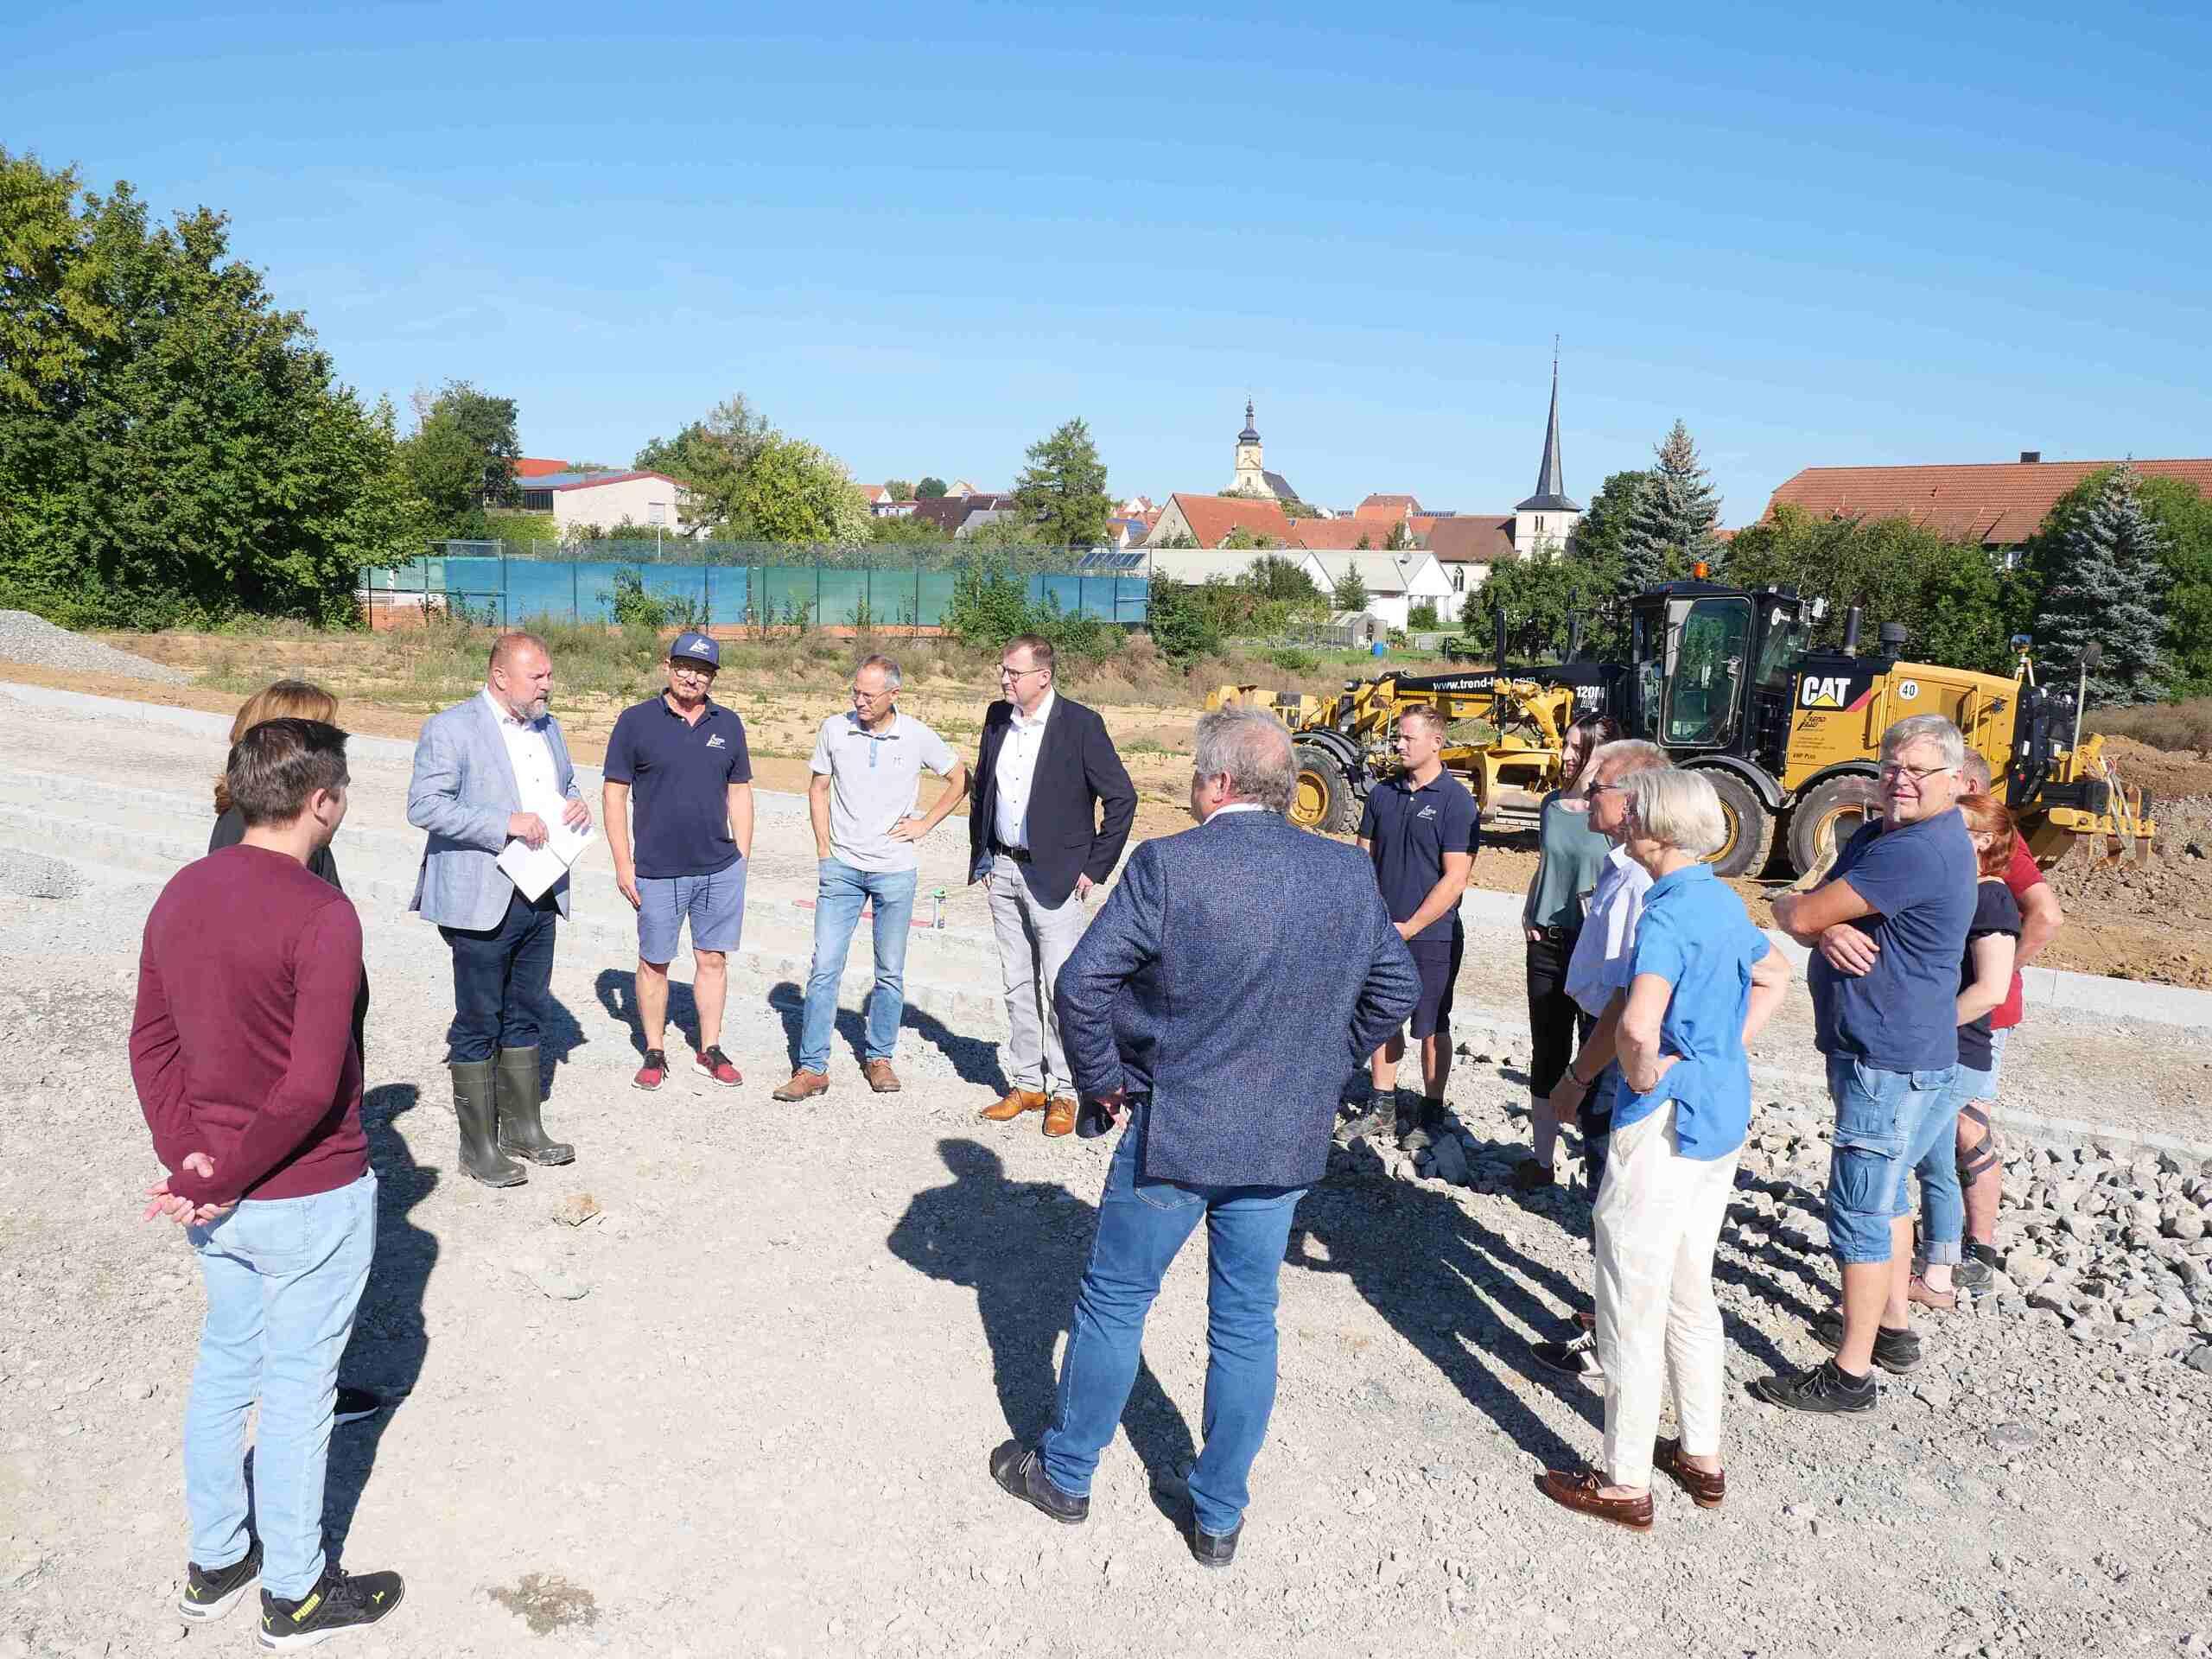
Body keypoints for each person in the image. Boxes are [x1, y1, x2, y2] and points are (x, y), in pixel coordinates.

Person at [988, 709, 1419, 1567]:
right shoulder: (1344, 871)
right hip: (1280, 1137)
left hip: (1176, 1130)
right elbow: (1395, 987)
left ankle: (1066, 1474)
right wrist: (1321, 1066)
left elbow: (1081, 984)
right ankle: (1218, 1516)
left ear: (1218, 783)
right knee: (1246, 1321)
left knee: (1117, 1300)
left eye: (1194, 773)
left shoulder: (1170, 864)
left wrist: (1104, 1083)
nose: (1191, 785)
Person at [133, 718, 405, 1647]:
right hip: (305, 1191)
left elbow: (151, 1042)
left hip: (215, 1190)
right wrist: (229, 1175)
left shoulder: (183, 889)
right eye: (343, 794)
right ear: (322, 801)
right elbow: (309, 1086)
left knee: (225, 1367)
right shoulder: (324, 913)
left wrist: (192, 1163)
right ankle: (295, 1593)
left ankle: (216, 1559)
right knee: (295, 1389)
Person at [1538, 769, 1791, 1530]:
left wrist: (1646, 1071)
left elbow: (1637, 1023)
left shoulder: (1666, 914)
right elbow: (1774, 973)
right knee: (1689, 1286)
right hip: (1718, 1113)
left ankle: (1623, 1480)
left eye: (1635, 812)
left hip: (1666, 1123)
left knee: (1629, 1296)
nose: (1623, 821)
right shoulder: (1721, 899)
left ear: (1659, 829)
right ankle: (1701, 1454)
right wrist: (1722, 1050)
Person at [1755, 713, 1975, 1414]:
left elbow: (1800, 913)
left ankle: (1850, 1376)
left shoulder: (1916, 850)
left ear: (1955, 781)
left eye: (1917, 771)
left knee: (1858, 1211)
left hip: (1887, 1058)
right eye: (1891, 768)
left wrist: (1809, 917)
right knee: (1890, 1197)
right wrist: (1823, 927)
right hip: (1890, 1050)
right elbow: (1808, 911)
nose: (1900, 781)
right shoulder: (1881, 836)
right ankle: (1891, 1328)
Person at [207, 680, 382, 1429]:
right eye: (328, 739)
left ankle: (293, 1382)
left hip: (291, 1083)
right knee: (294, 1278)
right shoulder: (250, 842)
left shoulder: (265, 835)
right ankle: (302, 1394)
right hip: (290, 1098)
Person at [406, 632, 591, 1187]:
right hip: (479, 897)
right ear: (500, 677)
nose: (548, 685)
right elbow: (424, 806)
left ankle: (524, 1129)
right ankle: (479, 1146)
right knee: (479, 1019)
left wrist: (576, 803)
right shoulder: (451, 728)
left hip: (541, 890)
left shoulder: (549, 727)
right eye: (538, 677)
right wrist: (502, 823)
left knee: (527, 1010)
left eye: (549, 674)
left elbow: (566, 783)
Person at [1529, 738, 1671, 1385]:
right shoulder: (1620, 866)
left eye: (1600, 786)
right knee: (1607, 1191)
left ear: (1634, 800)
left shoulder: (1640, 880)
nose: (1587, 794)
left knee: (1616, 1196)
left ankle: (1614, 1340)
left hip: (1612, 1052)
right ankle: (1607, 1317)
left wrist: (1577, 1076)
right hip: (1605, 1042)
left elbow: (1625, 1001)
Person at [774, 654, 969, 1100]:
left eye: (868, 695)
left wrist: (924, 824)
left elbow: (960, 779)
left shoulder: (916, 735)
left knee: (890, 972)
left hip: (895, 872)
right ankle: (811, 1068)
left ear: (894, 694)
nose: (859, 701)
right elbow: (817, 788)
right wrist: (824, 850)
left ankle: (879, 1058)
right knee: (825, 968)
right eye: (855, 692)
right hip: (841, 869)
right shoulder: (833, 729)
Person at [968, 634, 1137, 1138]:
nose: (1004, 679)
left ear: (1043, 676)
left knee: (1062, 987)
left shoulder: (1080, 725)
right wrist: (982, 854)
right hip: (1003, 869)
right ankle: (1027, 1083)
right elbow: (983, 788)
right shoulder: (997, 718)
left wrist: (1094, 866)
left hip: (1058, 879)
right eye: (1002, 670)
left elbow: (1122, 799)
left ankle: (1065, 1089)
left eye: (1013, 672)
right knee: (1016, 984)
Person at [602, 632, 756, 1092]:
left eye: (703, 671)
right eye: (685, 667)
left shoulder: (729, 724)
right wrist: (623, 864)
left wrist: (743, 857)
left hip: (719, 867)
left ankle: (710, 1049)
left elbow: (740, 791)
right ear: (668, 666)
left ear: (713, 678)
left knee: (713, 959)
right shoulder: (635, 722)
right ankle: (654, 1050)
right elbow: (614, 794)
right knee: (655, 962)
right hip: (656, 869)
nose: (693, 677)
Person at [1951, 750, 2063, 1291]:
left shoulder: (1996, 844)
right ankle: (1944, 1236)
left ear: (1970, 786)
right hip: (1959, 1006)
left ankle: (1979, 1247)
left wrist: (1999, 970)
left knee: (1966, 1124)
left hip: (1982, 1012)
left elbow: (2047, 916)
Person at [1908, 792, 2020, 1308]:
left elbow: (1990, 990)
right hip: (1945, 1050)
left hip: (1956, 1055)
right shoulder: (1963, 890)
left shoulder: (1991, 899)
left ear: (1983, 841)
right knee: (1935, 1165)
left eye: (1956, 827)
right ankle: (1937, 1275)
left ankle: (1902, 1281)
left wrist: (1927, 1030)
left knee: (1896, 1164)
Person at [1357, 703, 1480, 1152]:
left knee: (1431, 1024)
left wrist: (1411, 926)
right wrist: (1372, 920)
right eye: (1398, 737)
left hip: (1433, 934)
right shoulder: (1382, 794)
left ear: (1436, 742)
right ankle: (1382, 1106)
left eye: (1408, 738)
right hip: (1382, 933)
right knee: (1381, 1015)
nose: (1399, 744)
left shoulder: (1456, 802)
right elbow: (1362, 860)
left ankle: (1431, 1111)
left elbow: (1456, 878)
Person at [1516, 712, 1622, 1190]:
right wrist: (1530, 908)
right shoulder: (1551, 804)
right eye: (1566, 745)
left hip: (1595, 948)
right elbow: (1548, 865)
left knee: (1597, 1057)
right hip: (1548, 943)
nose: (1565, 755)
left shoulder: (1617, 816)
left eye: (1577, 748)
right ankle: (1542, 1162)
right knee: (1547, 1049)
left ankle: (1600, 1176)